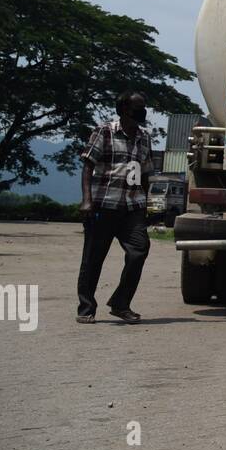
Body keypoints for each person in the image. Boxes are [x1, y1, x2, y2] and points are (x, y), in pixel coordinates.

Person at [76, 91, 153, 323]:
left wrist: (146, 204)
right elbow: (88, 166)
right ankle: (86, 308)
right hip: (104, 205)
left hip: (132, 206)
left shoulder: (144, 138)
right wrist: (87, 200)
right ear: (124, 110)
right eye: (139, 107)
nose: (143, 111)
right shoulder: (104, 131)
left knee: (139, 251)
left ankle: (121, 304)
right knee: (93, 258)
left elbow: (145, 173)